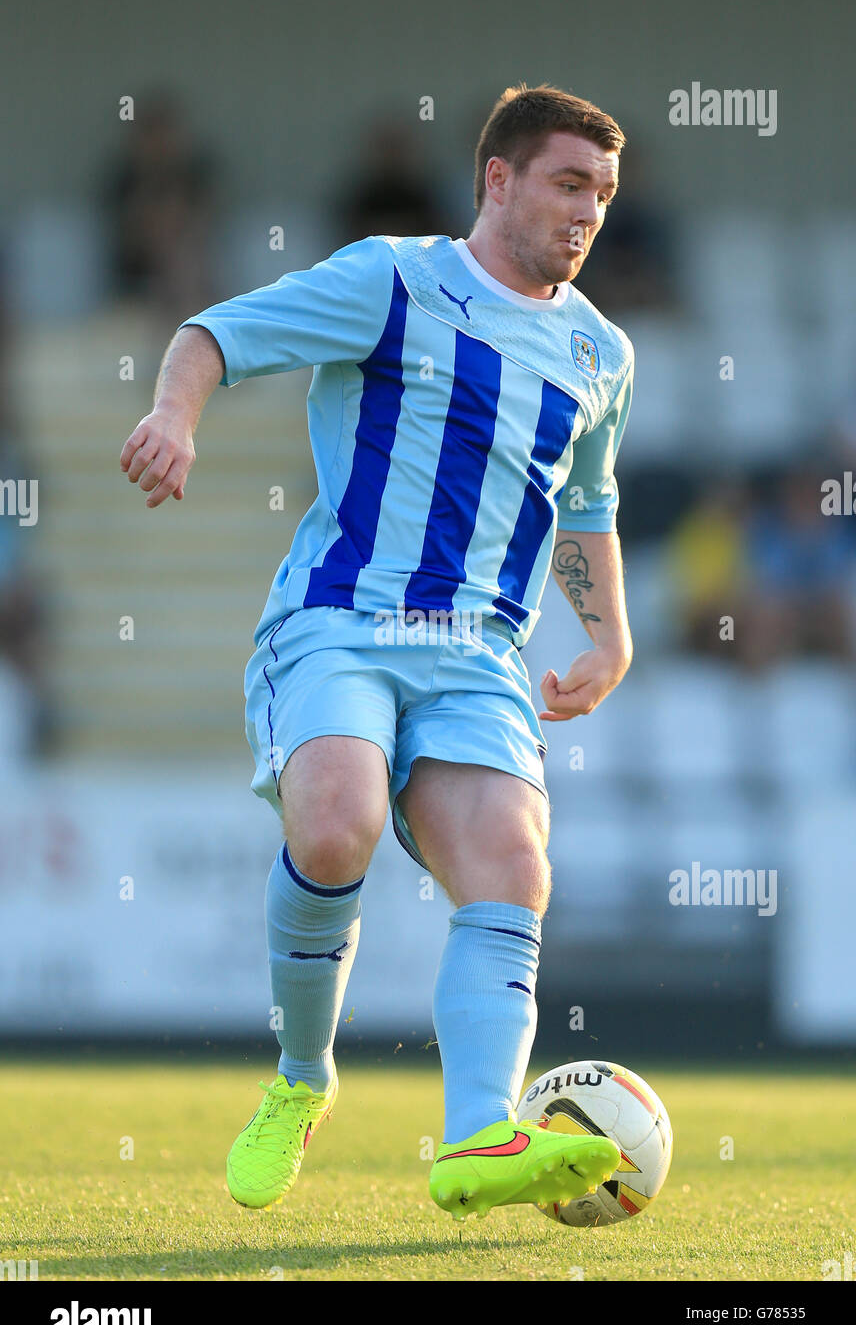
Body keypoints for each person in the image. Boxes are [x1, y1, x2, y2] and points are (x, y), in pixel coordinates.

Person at [119, 83, 633, 1222]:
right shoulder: (393, 279)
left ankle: (476, 1139)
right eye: (565, 183)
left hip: (480, 652)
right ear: (495, 179)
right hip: (340, 619)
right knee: (337, 819)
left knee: (512, 864)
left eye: (600, 191)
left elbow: (583, 500)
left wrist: (608, 633)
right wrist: (173, 416)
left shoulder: (601, 351)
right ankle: (302, 1081)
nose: (586, 211)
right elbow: (214, 333)